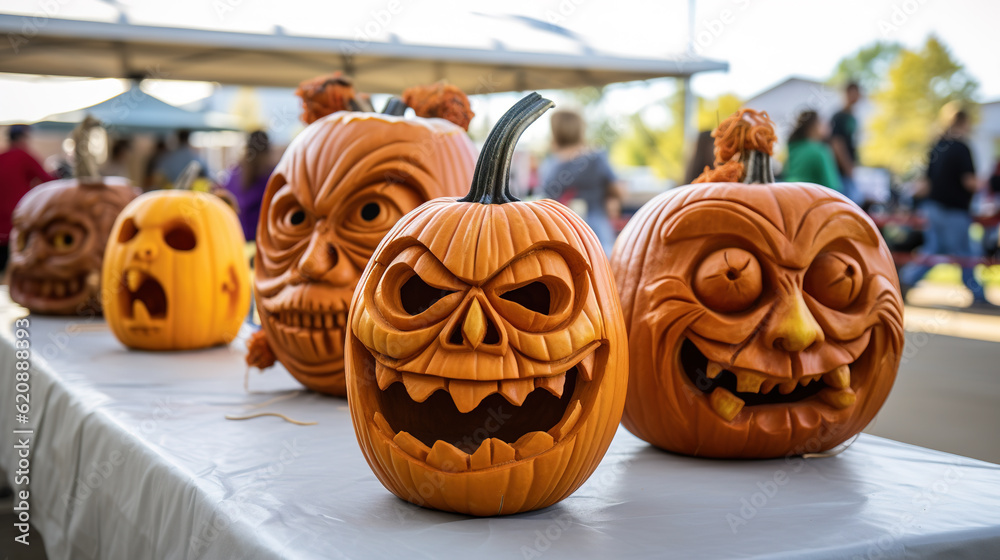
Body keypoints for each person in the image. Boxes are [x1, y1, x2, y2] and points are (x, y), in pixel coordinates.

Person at [898, 110, 993, 307]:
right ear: (963, 122)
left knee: (934, 250)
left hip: (932, 207)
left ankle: (905, 280)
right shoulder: (961, 148)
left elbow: (926, 184)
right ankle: (978, 294)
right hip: (953, 210)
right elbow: (969, 182)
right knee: (965, 253)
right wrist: (987, 185)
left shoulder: (937, 146)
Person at [540, 109, 623, 254]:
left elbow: (545, 201)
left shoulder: (550, 165)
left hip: (562, 235)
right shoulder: (595, 157)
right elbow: (618, 190)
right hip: (597, 234)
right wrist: (611, 198)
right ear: (580, 129)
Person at [0, 125, 54, 269]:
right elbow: (48, 180)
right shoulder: (24, 156)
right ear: (23, 137)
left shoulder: (2, 156)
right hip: (18, 221)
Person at [224, 130, 274, 241]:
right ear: (268, 148)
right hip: (262, 239)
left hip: (236, 236)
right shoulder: (271, 175)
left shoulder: (235, 171)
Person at [783, 111, 842, 191]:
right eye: (822, 122)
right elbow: (833, 186)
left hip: (790, 193)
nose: (827, 125)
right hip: (813, 198)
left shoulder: (794, 148)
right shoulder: (819, 150)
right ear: (813, 127)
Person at [829, 82, 862, 203]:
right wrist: (847, 167)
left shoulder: (852, 116)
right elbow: (836, 143)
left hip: (848, 170)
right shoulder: (839, 117)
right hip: (840, 172)